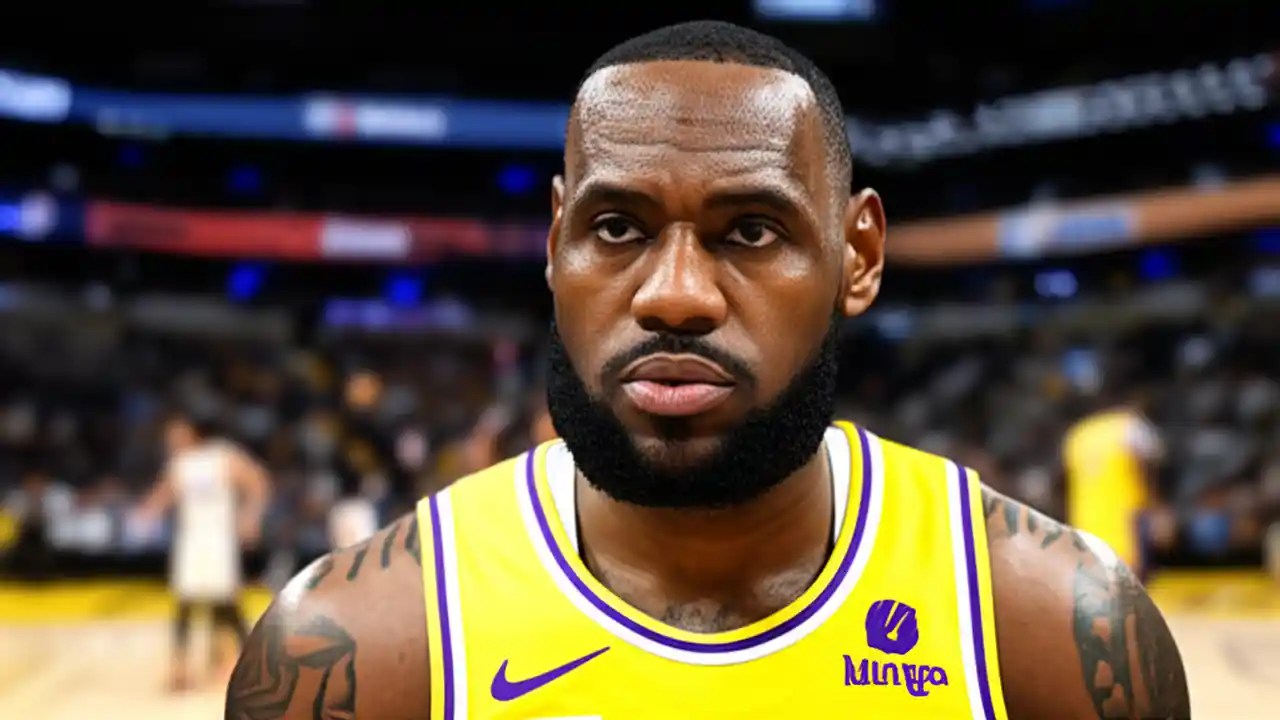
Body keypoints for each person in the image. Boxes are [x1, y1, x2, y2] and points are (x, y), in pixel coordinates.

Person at [225, 21, 1189, 719]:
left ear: (858, 255)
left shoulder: (1055, 632)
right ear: (555, 241)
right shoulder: (358, 655)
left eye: (753, 231)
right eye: (616, 229)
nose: (676, 295)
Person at [137, 412, 270, 691]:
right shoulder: (180, 464)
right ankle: (180, 667)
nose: (171, 440)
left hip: (220, 538)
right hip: (191, 539)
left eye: (176, 433)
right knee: (186, 601)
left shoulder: (223, 456)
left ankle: (253, 664)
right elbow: (164, 494)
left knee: (226, 602)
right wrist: (147, 512)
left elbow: (258, 481)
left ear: (192, 432)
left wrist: (251, 517)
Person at [1062, 388, 1167, 580]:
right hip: (1129, 515)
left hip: (1086, 519)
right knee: (1134, 579)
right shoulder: (1130, 426)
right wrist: (1158, 507)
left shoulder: (1078, 433)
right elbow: (1148, 466)